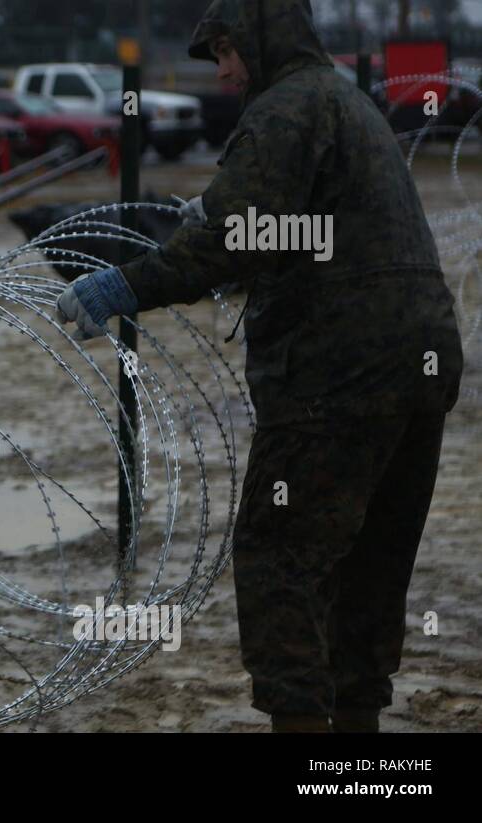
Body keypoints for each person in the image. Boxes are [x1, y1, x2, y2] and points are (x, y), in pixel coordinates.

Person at [56, 0, 463, 732]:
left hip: (338, 372)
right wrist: (214, 221)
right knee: (367, 563)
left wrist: (127, 286)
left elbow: (237, 240)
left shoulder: (285, 108)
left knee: (281, 558)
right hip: (420, 365)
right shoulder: (346, 100)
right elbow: (291, 228)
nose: (224, 70)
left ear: (261, 38)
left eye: (227, 50)